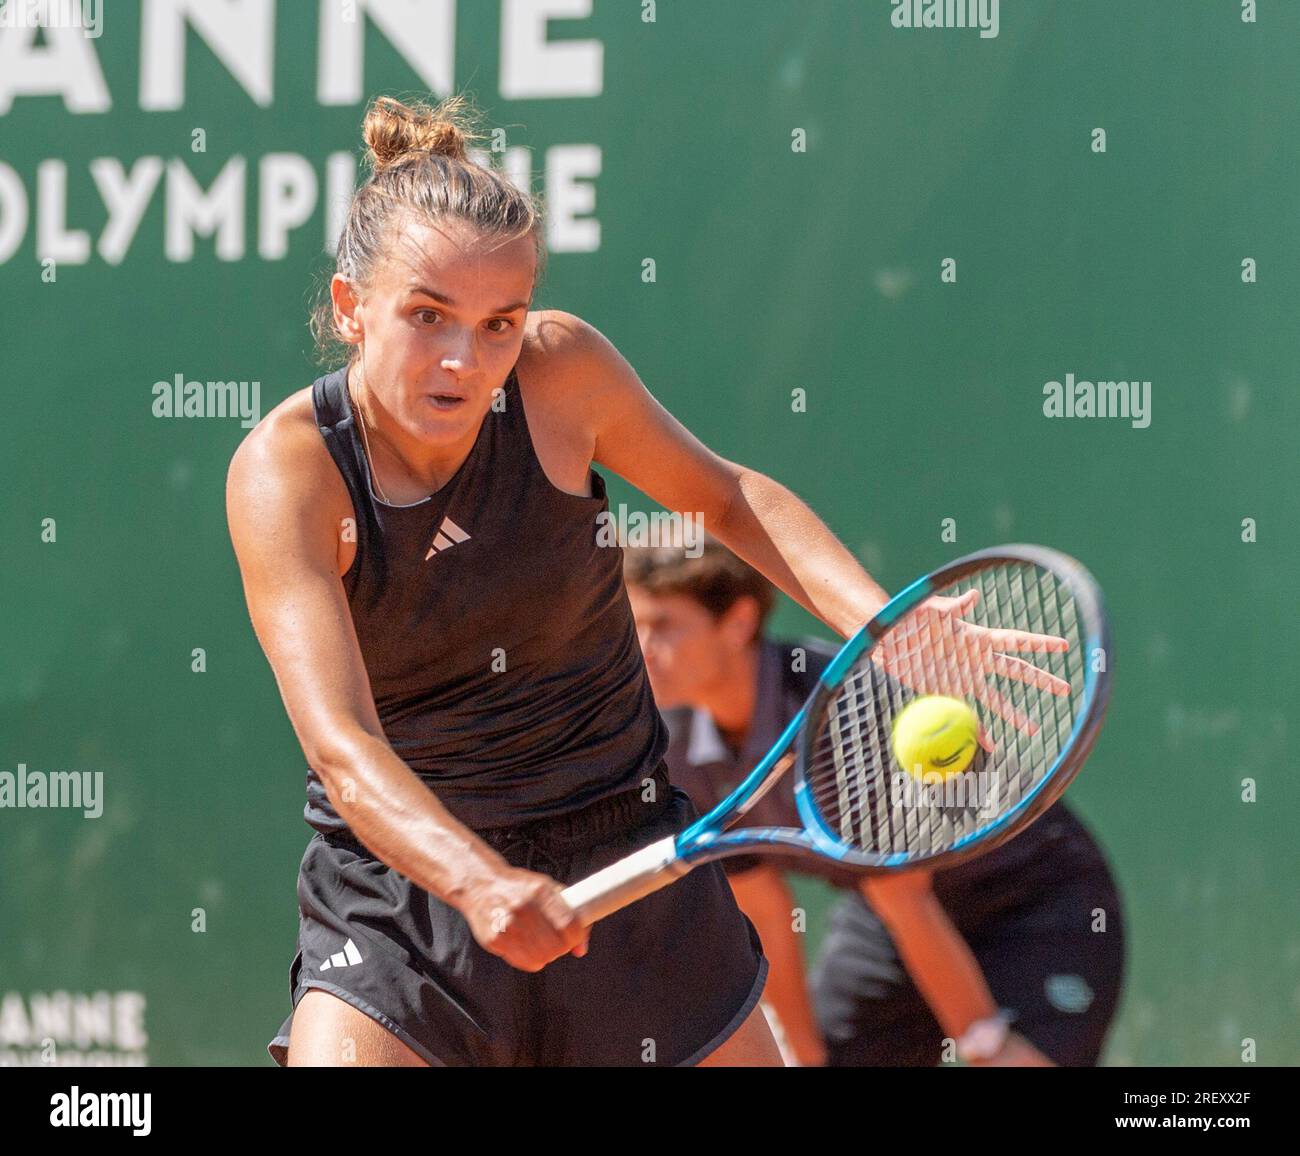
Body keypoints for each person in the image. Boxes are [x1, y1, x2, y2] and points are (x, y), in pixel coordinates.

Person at [225, 92, 935, 1067]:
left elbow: (726, 499)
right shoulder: (289, 472)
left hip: (626, 847)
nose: (462, 359)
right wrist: (475, 880)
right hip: (405, 891)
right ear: (351, 307)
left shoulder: (562, 376)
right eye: (426, 315)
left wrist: (887, 623)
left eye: (498, 323)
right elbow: (341, 745)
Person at [625, 538, 1126, 1067]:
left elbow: (907, 900)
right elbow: (766, 910)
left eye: (663, 624)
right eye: (635, 624)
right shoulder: (678, 744)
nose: (643, 645)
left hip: (1034, 900)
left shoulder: (845, 715)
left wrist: (985, 1043)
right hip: (886, 915)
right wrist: (804, 1055)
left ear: (739, 623)